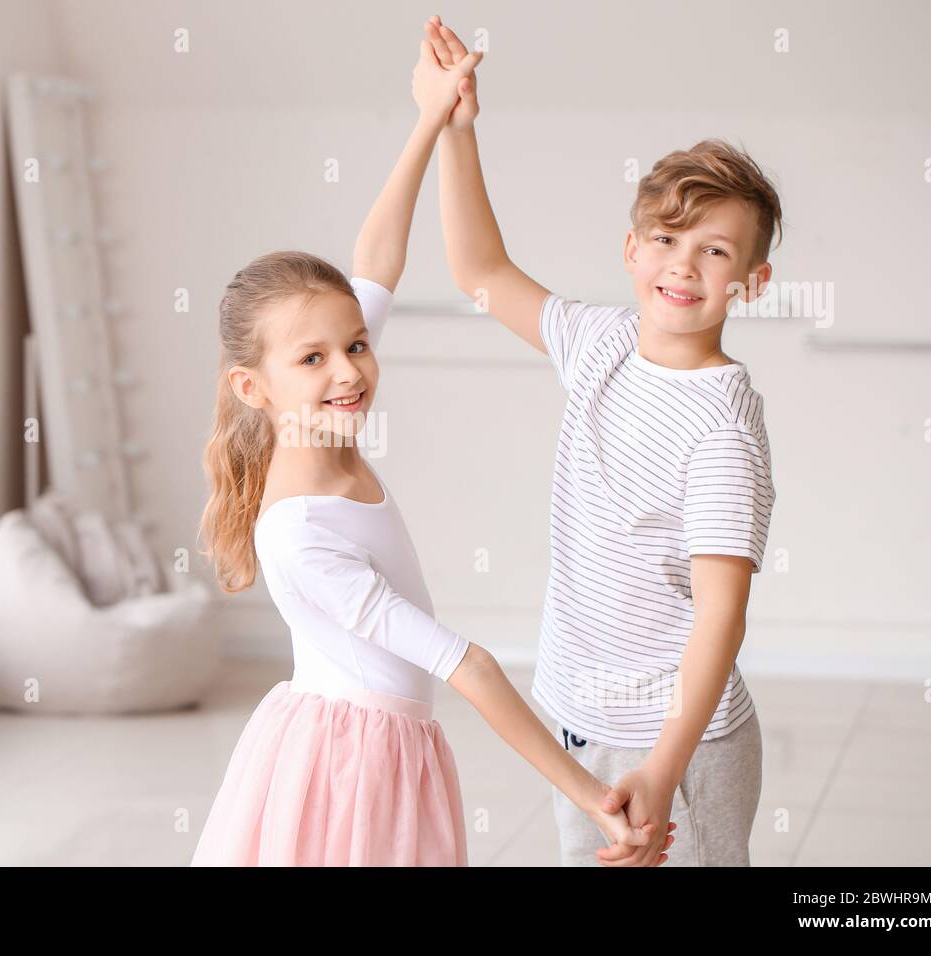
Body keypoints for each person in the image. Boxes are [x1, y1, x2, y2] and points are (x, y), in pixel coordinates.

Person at [190, 35, 673, 867]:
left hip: (390, 748)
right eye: (314, 359)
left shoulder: (315, 410)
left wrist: (434, 120)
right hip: (349, 767)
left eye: (356, 345)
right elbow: (472, 667)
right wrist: (594, 796)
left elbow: (377, 259)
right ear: (251, 386)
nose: (349, 370)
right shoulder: (300, 535)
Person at [426, 14, 780, 866]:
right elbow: (480, 272)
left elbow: (720, 621)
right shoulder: (602, 343)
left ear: (752, 282)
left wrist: (662, 770)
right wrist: (456, 129)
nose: (683, 264)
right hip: (579, 725)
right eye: (666, 239)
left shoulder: (723, 429)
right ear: (631, 249)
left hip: (677, 747)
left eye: (714, 250)